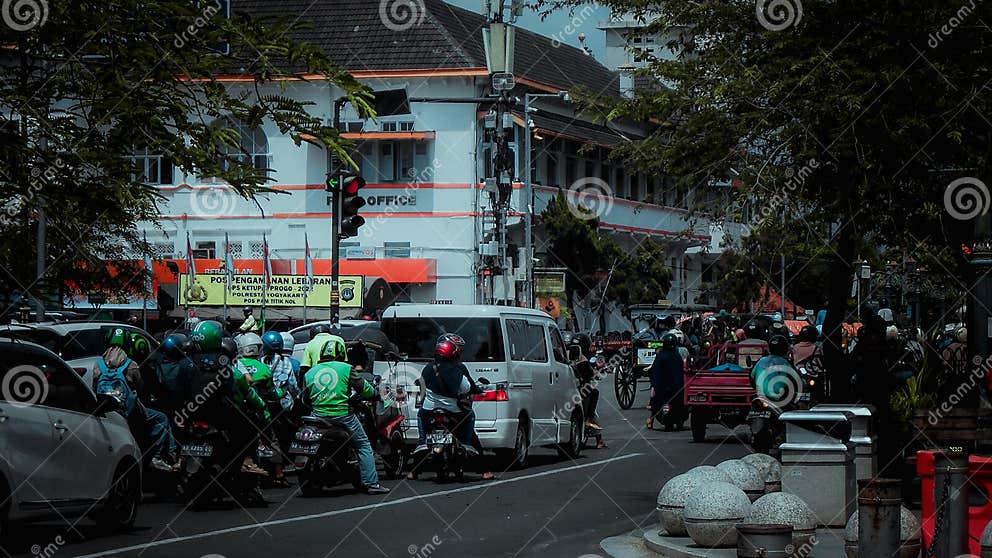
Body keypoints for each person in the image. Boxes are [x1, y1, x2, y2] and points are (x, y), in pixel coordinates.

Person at [302, 336, 390, 495]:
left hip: (316, 416)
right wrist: (375, 395)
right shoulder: (346, 369)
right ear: (341, 353)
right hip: (343, 416)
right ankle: (371, 484)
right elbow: (365, 389)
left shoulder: (310, 372)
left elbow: (304, 399)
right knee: (363, 445)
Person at [410, 334, 495, 481]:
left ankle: (416, 464)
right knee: (470, 417)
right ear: (454, 353)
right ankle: (471, 451)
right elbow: (466, 387)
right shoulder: (458, 368)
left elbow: (422, 387)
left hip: (430, 409)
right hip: (453, 409)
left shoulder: (428, 368)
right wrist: (478, 390)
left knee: (421, 420)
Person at [93, 327, 178, 472]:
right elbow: (140, 388)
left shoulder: (98, 365)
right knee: (162, 419)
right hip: (129, 411)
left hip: (106, 411)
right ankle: (159, 457)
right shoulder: (131, 365)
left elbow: (94, 388)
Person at [568, 334, 606, 448]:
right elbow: (591, 376)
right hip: (579, 392)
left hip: (567, 390)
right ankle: (597, 436)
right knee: (594, 393)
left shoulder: (566, 355)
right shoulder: (583, 361)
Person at [647, 332, 685, 431]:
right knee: (653, 401)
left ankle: (651, 420)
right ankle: (651, 420)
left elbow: (654, 371)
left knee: (653, 401)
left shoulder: (662, 356)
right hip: (671, 387)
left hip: (668, 387)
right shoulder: (676, 356)